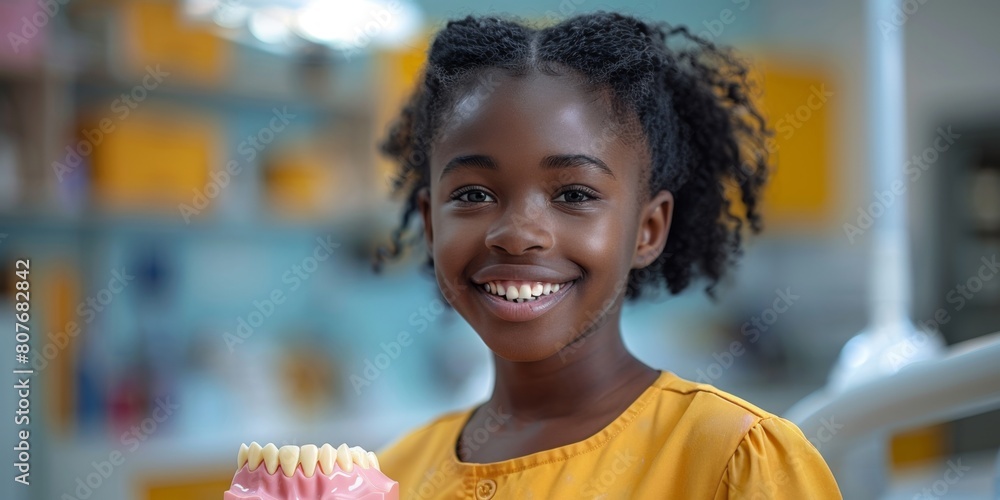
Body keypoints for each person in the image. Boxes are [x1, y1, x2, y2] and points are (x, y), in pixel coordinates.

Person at [372, 12, 841, 499]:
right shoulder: (393, 474)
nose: (517, 234)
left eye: (574, 194)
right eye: (472, 194)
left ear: (647, 229)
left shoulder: (731, 459)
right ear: (430, 224)